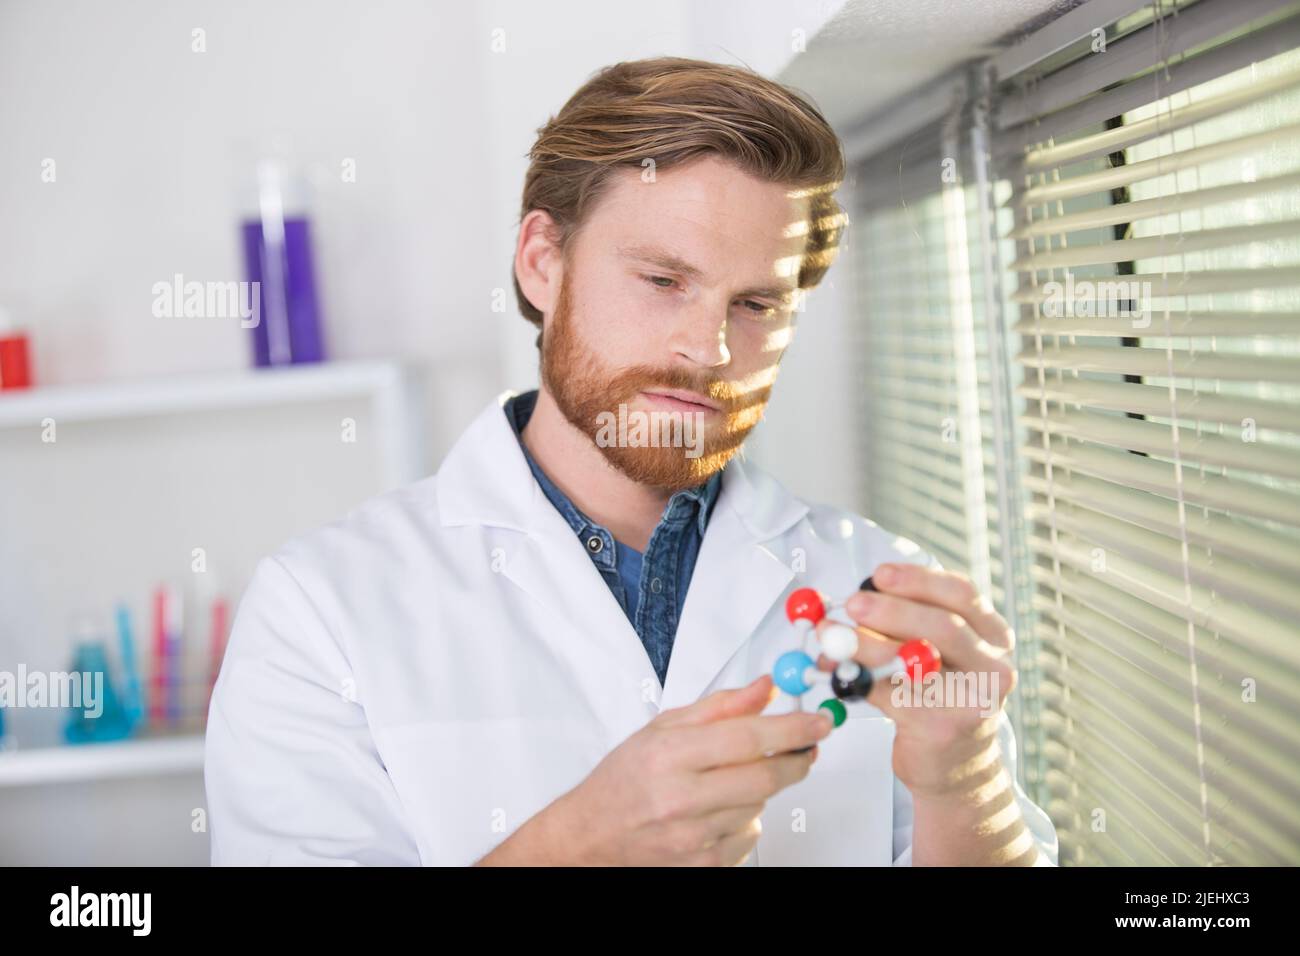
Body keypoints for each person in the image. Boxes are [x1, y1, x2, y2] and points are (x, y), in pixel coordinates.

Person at [205, 56, 1058, 866]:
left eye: (757, 303)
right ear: (544, 262)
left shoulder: (883, 587)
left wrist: (965, 784)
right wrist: (576, 846)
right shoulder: (320, 613)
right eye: (663, 280)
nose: (708, 347)